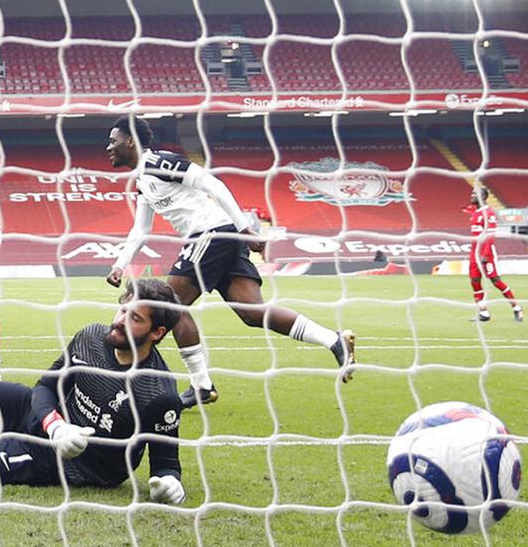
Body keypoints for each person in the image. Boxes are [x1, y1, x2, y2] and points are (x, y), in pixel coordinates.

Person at [104, 116, 355, 407]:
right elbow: (141, 229)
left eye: (113, 141)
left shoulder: (158, 162)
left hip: (211, 234)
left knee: (168, 306)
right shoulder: (144, 180)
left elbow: (212, 183)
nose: (108, 147)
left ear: (130, 141)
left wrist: (244, 228)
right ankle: (334, 340)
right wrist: (120, 264)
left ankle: (200, 386)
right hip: (221, 237)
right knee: (251, 312)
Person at [0, 279, 186, 505]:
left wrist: (170, 483)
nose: (120, 321)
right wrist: (56, 425)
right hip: (45, 419)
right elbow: (46, 386)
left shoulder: (158, 393)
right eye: (123, 310)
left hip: (62, 461)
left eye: (134, 318)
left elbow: (165, 461)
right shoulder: (91, 337)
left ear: (157, 332)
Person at [468, 188, 523, 322]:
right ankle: (483, 313)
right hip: (474, 253)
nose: (472, 195)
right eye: (472, 193)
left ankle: (517, 308)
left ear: (484, 197)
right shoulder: (475, 213)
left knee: (495, 281)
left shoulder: (489, 213)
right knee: (474, 281)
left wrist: (485, 255)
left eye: (475, 194)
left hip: (486, 253)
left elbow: (490, 235)